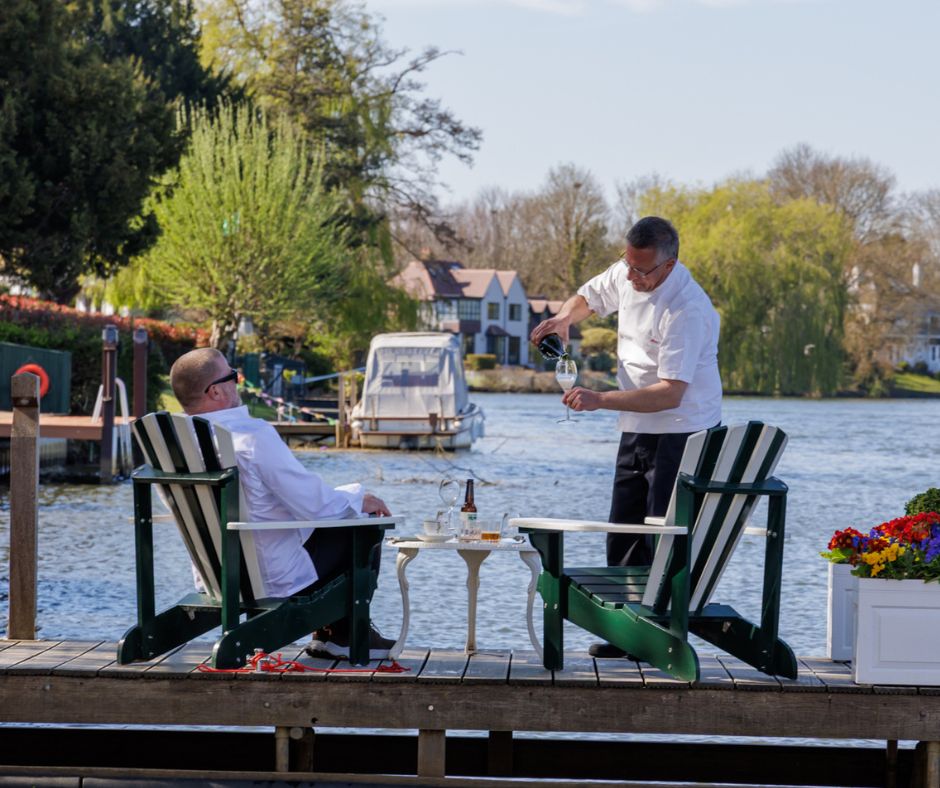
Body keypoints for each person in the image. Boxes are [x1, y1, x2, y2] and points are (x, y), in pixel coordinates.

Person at [530, 216, 722, 658]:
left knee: (663, 531)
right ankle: (626, 629)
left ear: (670, 265)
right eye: (628, 265)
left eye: (643, 271)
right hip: (637, 423)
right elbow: (590, 297)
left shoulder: (687, 309)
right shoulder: (629, 271)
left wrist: (600, 400)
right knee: (624, 529)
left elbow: (671, 394)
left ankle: (663, 630)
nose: (632, 277)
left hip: (682, 427)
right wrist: (563, 318)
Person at [169, 347, 395, 660]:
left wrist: (350, 496)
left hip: (218, 574)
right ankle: (346, 635)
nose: (239, 382)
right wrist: (361, 498)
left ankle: (330, 633)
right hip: (271, 575)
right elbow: (316, 506)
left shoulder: (178, 443)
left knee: (347, 503)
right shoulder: (251, 437)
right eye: (233, 376)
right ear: (216, 390)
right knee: (364, 522)